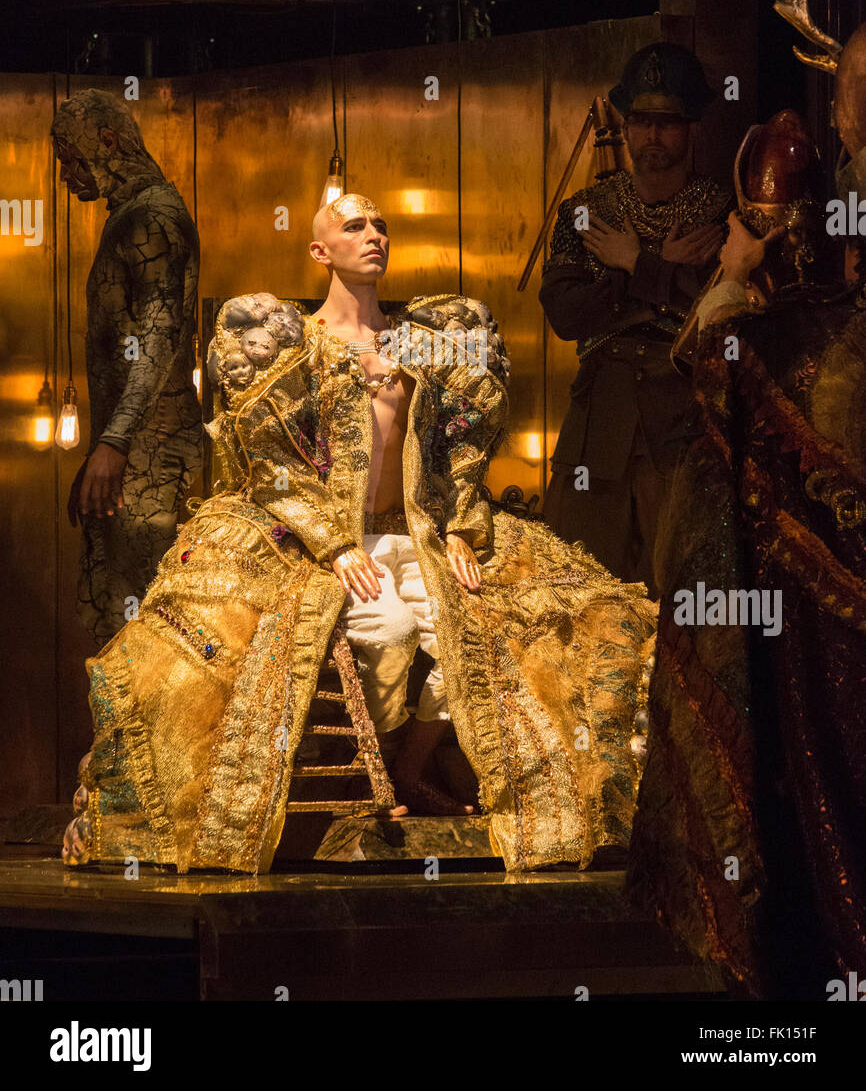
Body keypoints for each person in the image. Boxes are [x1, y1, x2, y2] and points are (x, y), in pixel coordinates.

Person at [62, 191, 655, 874]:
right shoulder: (284, 344)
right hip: (328, 539)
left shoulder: (432, 341)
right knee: (389, 633)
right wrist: (333, 541)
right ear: (320, 250)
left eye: (380, 225)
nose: (373, 235)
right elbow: (269, 455)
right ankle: (355, 786)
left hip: (419, 533)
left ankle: (408, 770)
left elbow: (457, 443)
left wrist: (459, 523)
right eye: (353, 226)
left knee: (492, 625)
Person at [627, 119, 866, 999]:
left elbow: (702, 382)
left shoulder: (771, 347)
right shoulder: (817, 333)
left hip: (807, 629)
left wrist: (729, 283)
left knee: (818, 810)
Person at [539, 42, 731, 598]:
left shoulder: (721, 212)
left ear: (691, 130)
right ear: (625, 127)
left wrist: (632, 263)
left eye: (666, 124)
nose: (652, 136)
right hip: (599, 419)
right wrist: (650, 272)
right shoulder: (586, 210)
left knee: (683, 592)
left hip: (684, 421)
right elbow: (567, 316)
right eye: (641, 121)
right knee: (576, 592)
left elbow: (718, 317)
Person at [53, 89, 201, 649]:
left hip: (152, 459)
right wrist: (103, 448)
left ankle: (143, 738)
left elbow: (161, 337)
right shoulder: (138, 214)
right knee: (123, 616)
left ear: (107, 143)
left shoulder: (152, 217)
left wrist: (113, 444)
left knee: (144, 624)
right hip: (137, 452)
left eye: (72, 158)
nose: (67, 175)